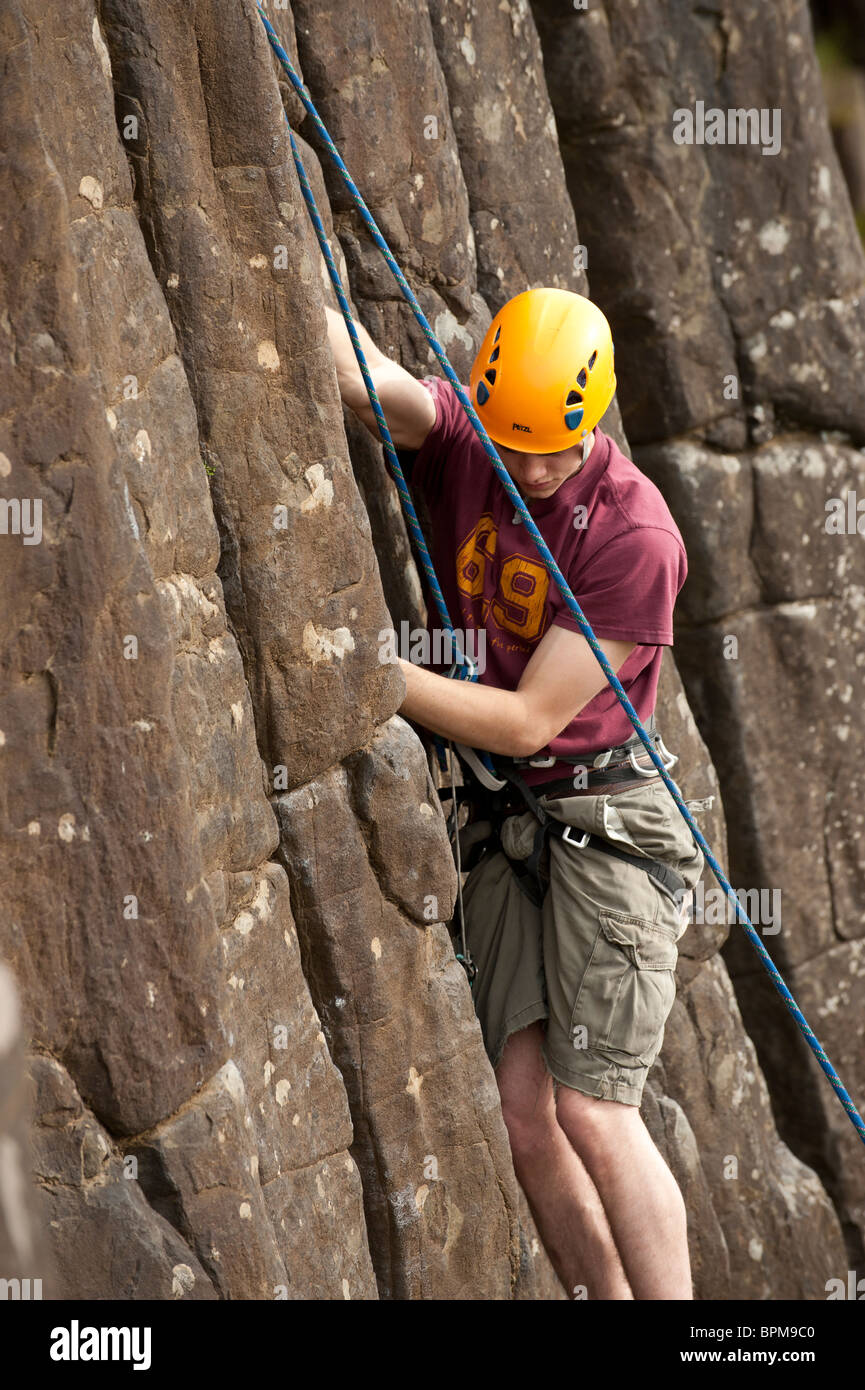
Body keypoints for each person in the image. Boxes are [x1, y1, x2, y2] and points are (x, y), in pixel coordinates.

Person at [325, 287, 705, 1301]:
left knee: (593, 1108)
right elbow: (369, 379)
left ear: (594, 419)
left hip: (605, 819)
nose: (530, 468)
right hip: (505, 826)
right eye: (515, 443)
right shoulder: (471, 435)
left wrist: (379, 677)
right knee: (524, 1113)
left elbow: (532, 719)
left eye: (556, 447)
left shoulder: (634, 537)